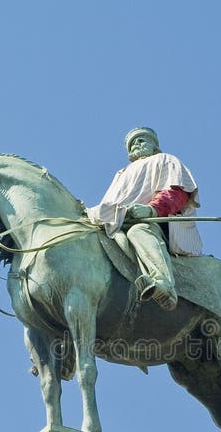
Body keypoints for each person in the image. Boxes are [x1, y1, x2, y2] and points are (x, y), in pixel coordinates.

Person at [86, 126, 202, 310]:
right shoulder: (121, 173)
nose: (137, 145)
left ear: (154, 145)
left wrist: (152, 210)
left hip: (153, 222)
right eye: (132, 143)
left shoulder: (165, 160)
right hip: (118, 221)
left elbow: (177, 192)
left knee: (139, 231)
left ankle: (164, 284)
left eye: (142, 140)